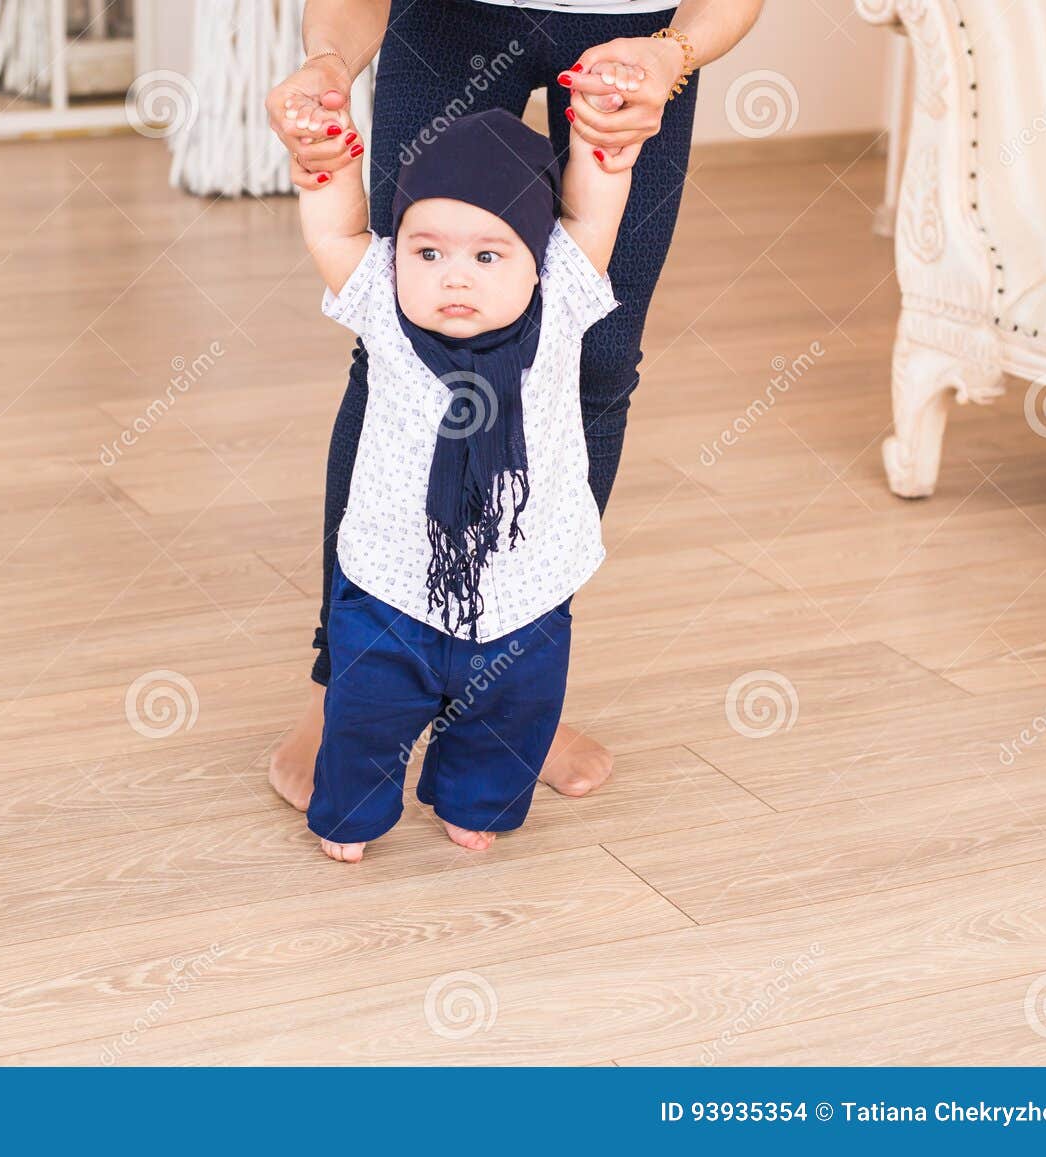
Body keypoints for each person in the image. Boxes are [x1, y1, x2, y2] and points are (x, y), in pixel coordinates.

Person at [265, 0, 765, 812]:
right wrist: (328, 62)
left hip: (636, 30)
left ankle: (512, 687)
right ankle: (344, 684)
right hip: (451, 17)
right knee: (397, 341)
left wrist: (674, 52)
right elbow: (341, 237)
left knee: (596, 356)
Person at [297, 106, 638, 861]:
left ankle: (474, 800)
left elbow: (592, 213)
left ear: (538, 260)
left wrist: (600, 148)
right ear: (396, 255)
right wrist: (327, 172)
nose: (455, 276)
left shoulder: (561, 303)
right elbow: (335, 235)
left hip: (526, 588)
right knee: (365, 711)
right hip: (391, 584)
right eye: (427, 252)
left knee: (513, 713)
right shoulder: (383, 308)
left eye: (488, 255)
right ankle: (352, 811)